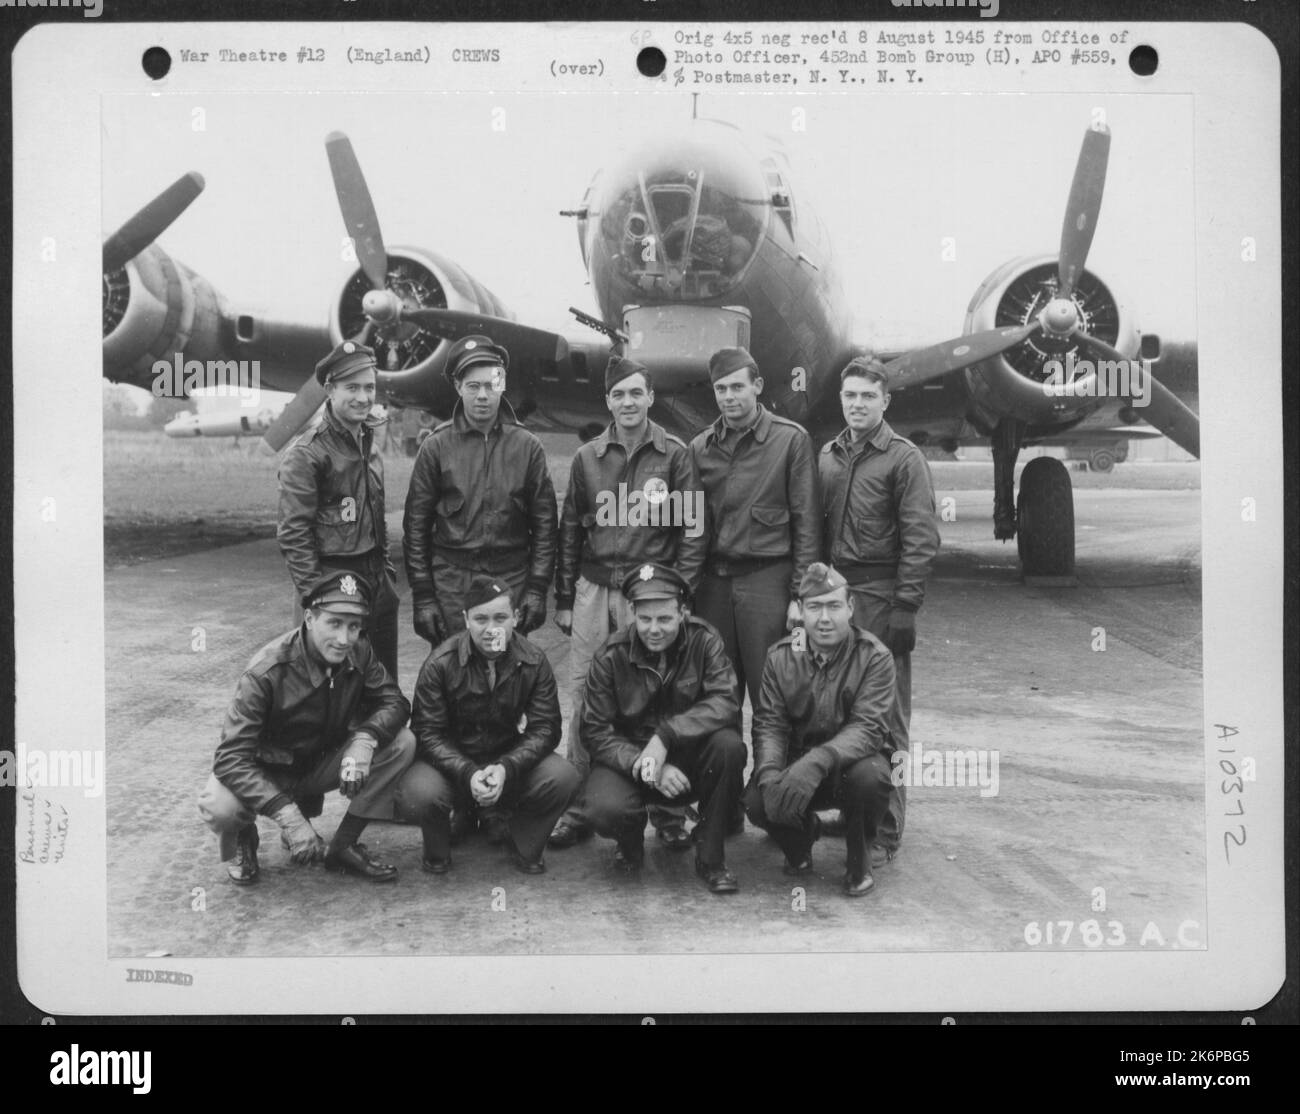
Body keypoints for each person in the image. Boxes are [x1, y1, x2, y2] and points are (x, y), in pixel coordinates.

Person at [549, 355, 706, 851]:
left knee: (661, 695)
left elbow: (692, 532)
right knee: (586, 695)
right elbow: (570, 529)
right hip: (595, 588)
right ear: (608, 401)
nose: (628, 402)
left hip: (652, 592)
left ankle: (669, 812)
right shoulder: (588, 458)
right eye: (618, 394)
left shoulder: (675, 455)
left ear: (651, 397)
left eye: (636, 393)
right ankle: (576, 806)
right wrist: (565, 596)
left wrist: (680, 594)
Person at [197, 571, 422, 885]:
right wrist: (287, 816)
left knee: (402, 742)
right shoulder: (266, 670)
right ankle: (243, 839)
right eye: (334, 623)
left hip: (317, 765)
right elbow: (230, 758)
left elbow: (395, 702)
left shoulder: (359, 651)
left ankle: (343, 844)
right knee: (221, 807)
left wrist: (365, 739)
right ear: (309, 618)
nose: (344, 639)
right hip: (268, 773)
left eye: (354, 626)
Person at [689, 346, 820, 828]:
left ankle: (776, 804)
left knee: (773, 699)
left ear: (758, 386)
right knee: (717, 699)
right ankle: (719, 810)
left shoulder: (790, 441)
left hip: (768, 580)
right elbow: (691, 524)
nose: (729, 397)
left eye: (737, 387)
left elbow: (807, 521)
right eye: (721, 389)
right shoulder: (700, 447)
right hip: (714, 586)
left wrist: (800, 597)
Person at [818, 357, 940, 864]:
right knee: (842, 711)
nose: (858, 404)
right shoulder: (827, 455)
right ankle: (853, 812)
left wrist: (906, 606)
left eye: (868, 396)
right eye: (850, 396)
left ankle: (886, 826)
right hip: (840, 601)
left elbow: (921, 537)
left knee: (889, 717)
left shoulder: (904, 459)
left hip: (883, 595)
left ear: (885, 401)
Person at [581, 563, 746, 894]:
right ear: (631, 613)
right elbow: (595, 731)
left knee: (729, 747)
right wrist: (648, 765)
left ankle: (711, 859)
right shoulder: (610, 656)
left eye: (665, 619)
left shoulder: (705, 641)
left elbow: (725, 701)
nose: (653, 629)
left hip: (686, 762)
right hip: (631, 763)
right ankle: (629, 844)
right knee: (604, 807)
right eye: (644, 619)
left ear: (683, 612)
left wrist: (666, 736)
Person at [396, 576, 579, 874]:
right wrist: (468, 773)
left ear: (516, 618)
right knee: (418, 792)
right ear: (466, 619)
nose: (491, 627)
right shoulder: (440, 662)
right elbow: (427, 734)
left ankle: (521, 837)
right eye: (480, 618)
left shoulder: (533, 660)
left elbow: (546, 729)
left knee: (563, 776)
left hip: (505, 767)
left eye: (500, 617)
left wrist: (506, 767)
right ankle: (440, 843)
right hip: (452, 770)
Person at [745, 563, 898, 897]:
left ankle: (859, 860)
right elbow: (770, 723)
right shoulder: (781, 656)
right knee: (757, 800)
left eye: (834, 606)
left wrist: (819, 760)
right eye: (814, 607)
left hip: (849, 766)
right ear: (801, 611)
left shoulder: (874, 657)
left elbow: (868, 728)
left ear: (851, 608)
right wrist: (769, 772)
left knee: (872, 779)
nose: (824, 618)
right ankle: (800, 843)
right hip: (798, 763)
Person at [403, 334, 557, 646]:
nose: (483, 395)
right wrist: (423, 596)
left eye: (491, 385)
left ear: (503, 385)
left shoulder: (527, 447)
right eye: (473, 386)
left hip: (510, 577)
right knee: (452, 671)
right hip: (452, 581)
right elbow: (415, 528)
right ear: (458, 387)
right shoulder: (436, 446)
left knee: (507, 672)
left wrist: (538, 588)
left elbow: (545, 526)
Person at [277, 340, 400, 679]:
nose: (363, 397)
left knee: (381, 687)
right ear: (330, 389)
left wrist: (386, 575)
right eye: (352, 387)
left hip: (376, 585)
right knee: (322, 692)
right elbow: (293, 534)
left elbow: (376, 519)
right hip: (331, 586)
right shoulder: (307, 454)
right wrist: (316, 599)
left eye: (369, 387)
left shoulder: (370, 448)